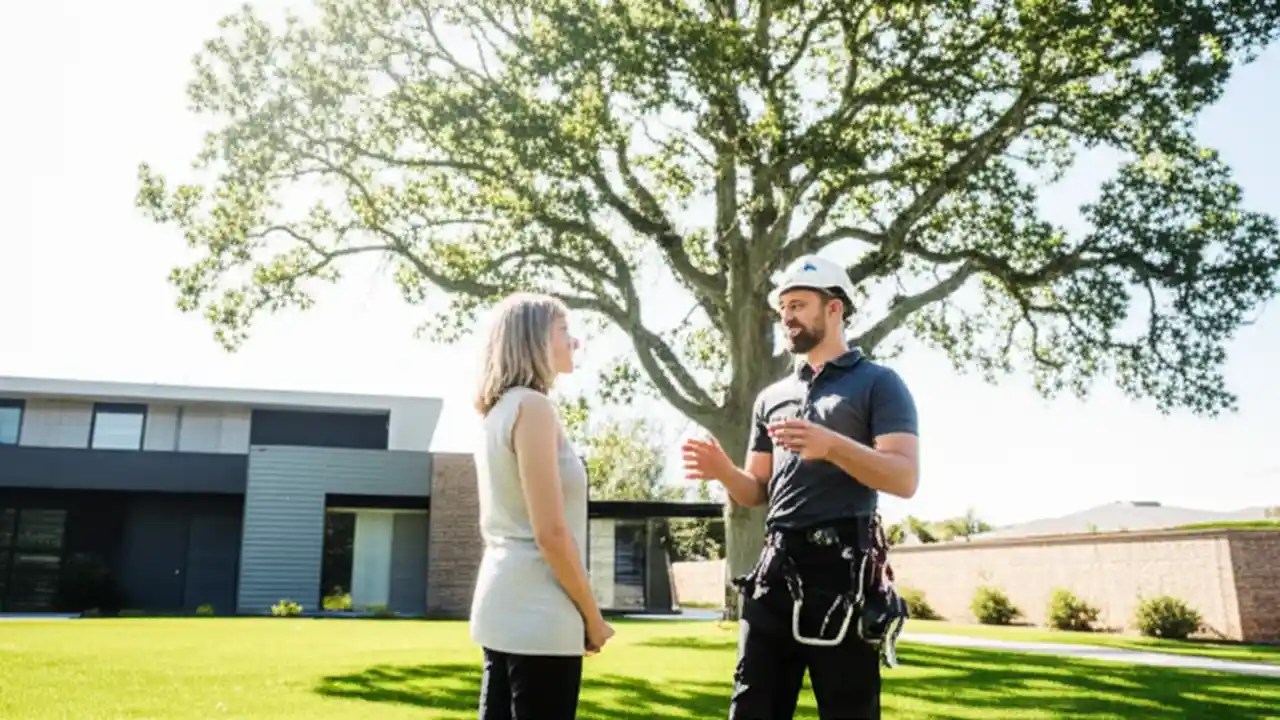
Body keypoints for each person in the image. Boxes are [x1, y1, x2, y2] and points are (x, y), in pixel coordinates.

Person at [682, 254, 919, 720]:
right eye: (784, 307)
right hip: (774, 568)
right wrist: (723, 470)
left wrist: (831, 446)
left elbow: (904, 477)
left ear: (835, 308)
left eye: (799, 305)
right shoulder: (772, 397)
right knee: (751, 708)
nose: (787, 317)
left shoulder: (879, 383)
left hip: (842, 573)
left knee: (848, 710)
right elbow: (754, 492)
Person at [470, 291, 615, 720]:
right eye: (563, 330)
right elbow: (550, 534)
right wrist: (593, 617)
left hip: (502, 608)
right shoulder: (532, 408)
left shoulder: (498, 411)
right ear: (533, 340)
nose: (575, 341)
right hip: (539, 616)